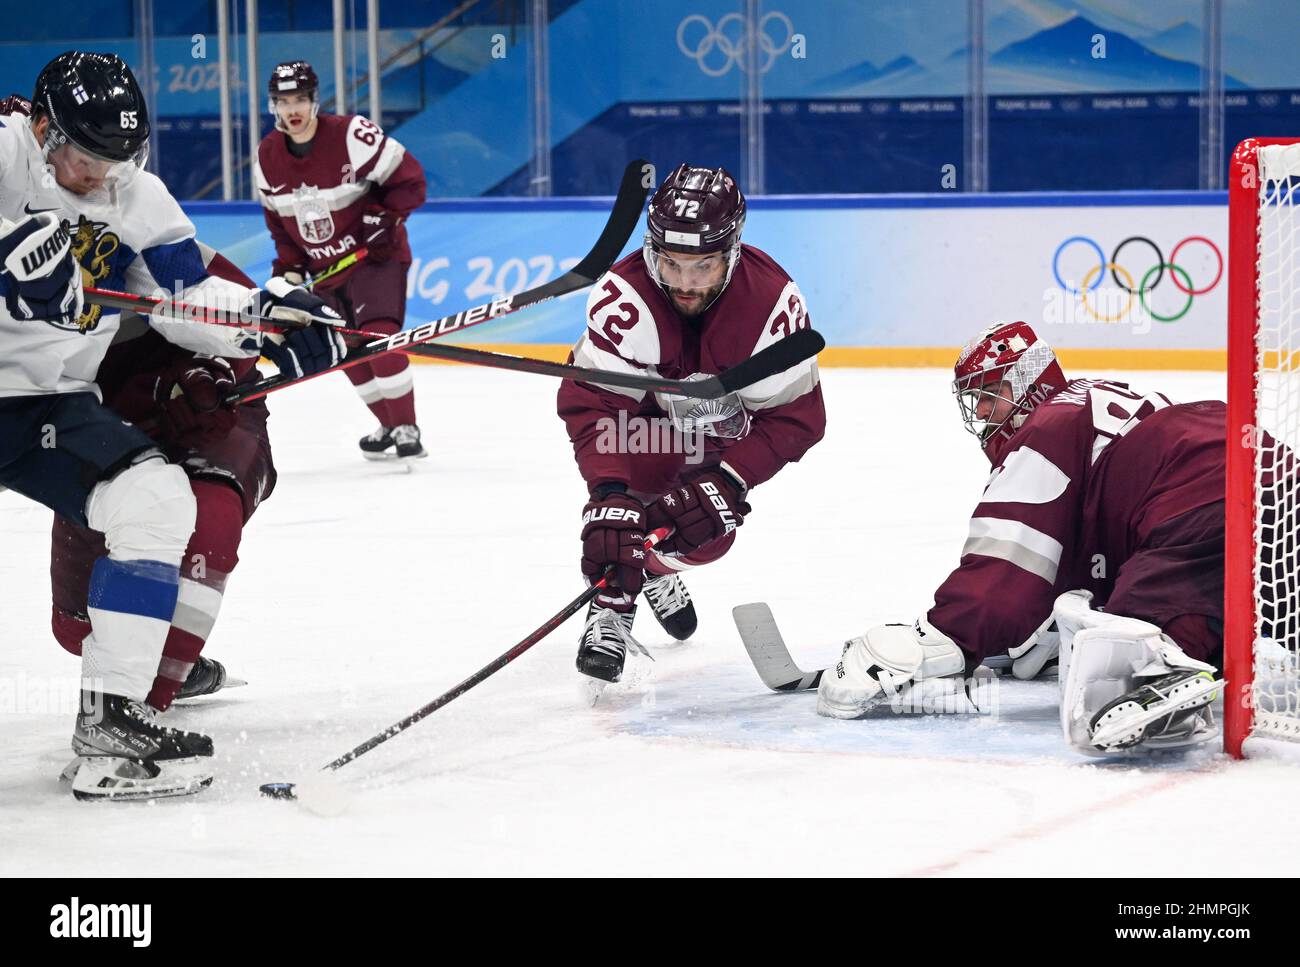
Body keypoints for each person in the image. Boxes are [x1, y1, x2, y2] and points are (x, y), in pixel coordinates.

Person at [0, 52, 344, 798]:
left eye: (116, 159)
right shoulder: (2, 153)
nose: (100, 175)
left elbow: (185, 297)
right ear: (40, 128)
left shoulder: (135, 194)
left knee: (156, 500)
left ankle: (110, 724)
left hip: (40, 405)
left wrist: (264, 318)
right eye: (85, 158)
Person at [817, 320, 1236, 755]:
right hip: (1254, 464)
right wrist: (1052, 617)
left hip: (1202, 495)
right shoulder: (1091, 400)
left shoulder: (1046, 426)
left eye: (987, 393)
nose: (979, 412)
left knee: (1131, 639)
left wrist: (936, 642)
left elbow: (1008, 566)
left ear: (1027, 384)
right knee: (1241, 586)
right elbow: (1108, 529)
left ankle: (1164, 667)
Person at [557, 163, 825, 683]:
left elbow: (796, 419)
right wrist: (609, 491)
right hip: (643, 428)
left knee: (707, 534)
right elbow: (592, 404)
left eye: (702, 266)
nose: (684, 282)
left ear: (733, 250)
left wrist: (729, 480)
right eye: (671, 263)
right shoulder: (626, 300)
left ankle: (653, 571)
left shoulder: (770, 306)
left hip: (722, 434)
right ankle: (613, 603)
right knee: (622, 520)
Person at [49, 239, 273, 713]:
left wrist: (210, 367)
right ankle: (158, 664)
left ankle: (136, 709)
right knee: (78, 628)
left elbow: (243, 315)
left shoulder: (143, 224)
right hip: (95, 422)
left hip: (203, 405)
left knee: (209, 518)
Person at [254, 60, 429, 462]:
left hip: (374, 259)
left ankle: (406, 426)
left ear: (315, 101)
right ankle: (388, 424)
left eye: (300, 99)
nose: (292, 109)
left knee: (378, 337)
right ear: (273, 106)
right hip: (324, 273)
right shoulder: (267, 156)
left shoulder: (353, 135)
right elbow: (281, 224)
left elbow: (411, 180)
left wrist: (385, 217)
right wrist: (290, 267)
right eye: (283, 102)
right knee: (346, 350)